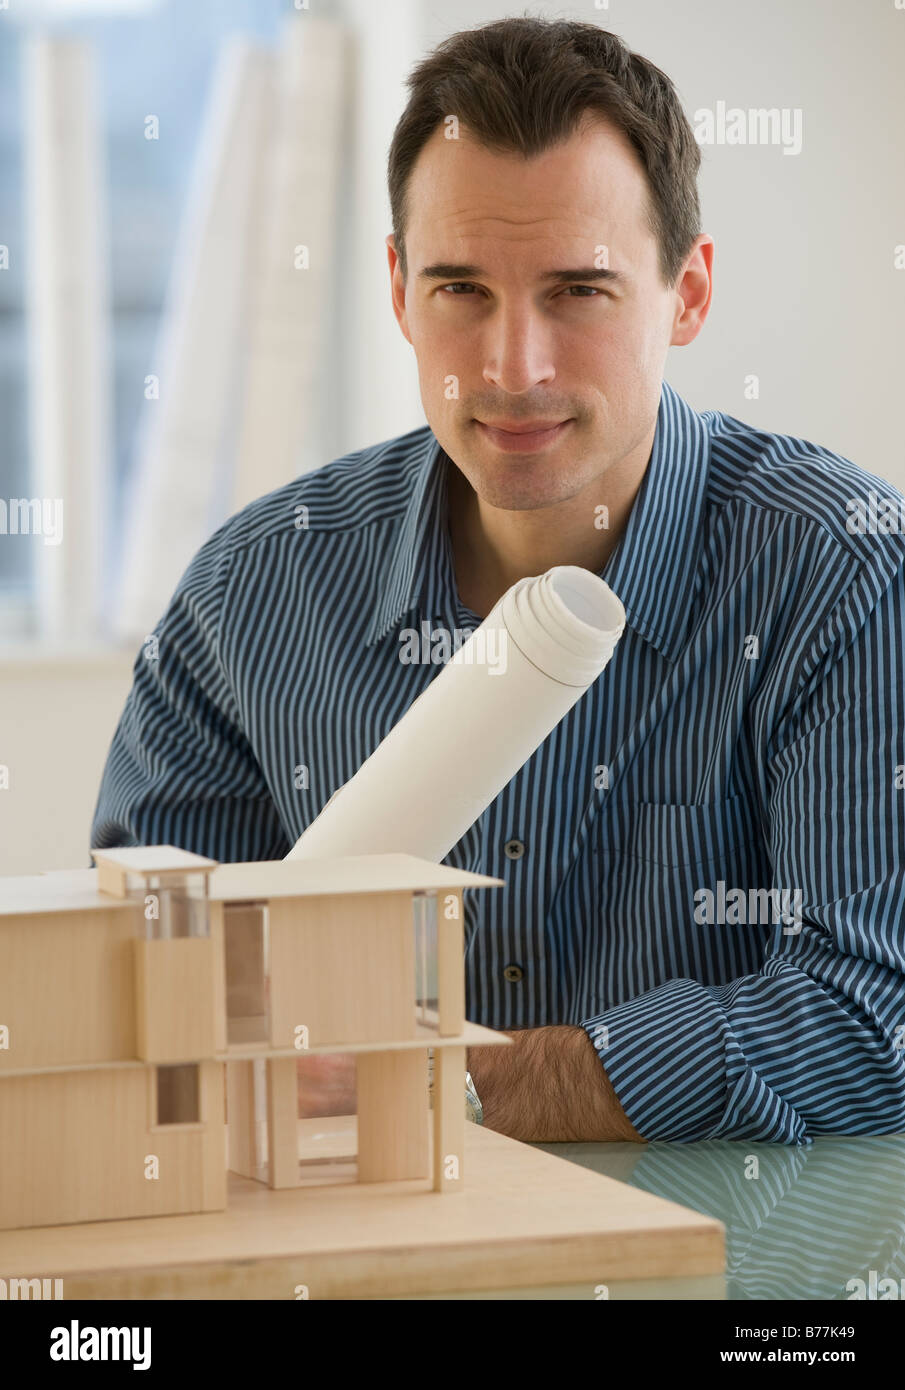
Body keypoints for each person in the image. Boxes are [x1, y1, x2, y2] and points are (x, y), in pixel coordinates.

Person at [91, 17, 905, 1146]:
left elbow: (874, 1014)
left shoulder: (841, 573)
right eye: (460, 289)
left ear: (688, 292)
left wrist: (454, 1087)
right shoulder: (251, 595)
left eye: (577, 290)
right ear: (396, 288)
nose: (511, 367)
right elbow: (145, 989)